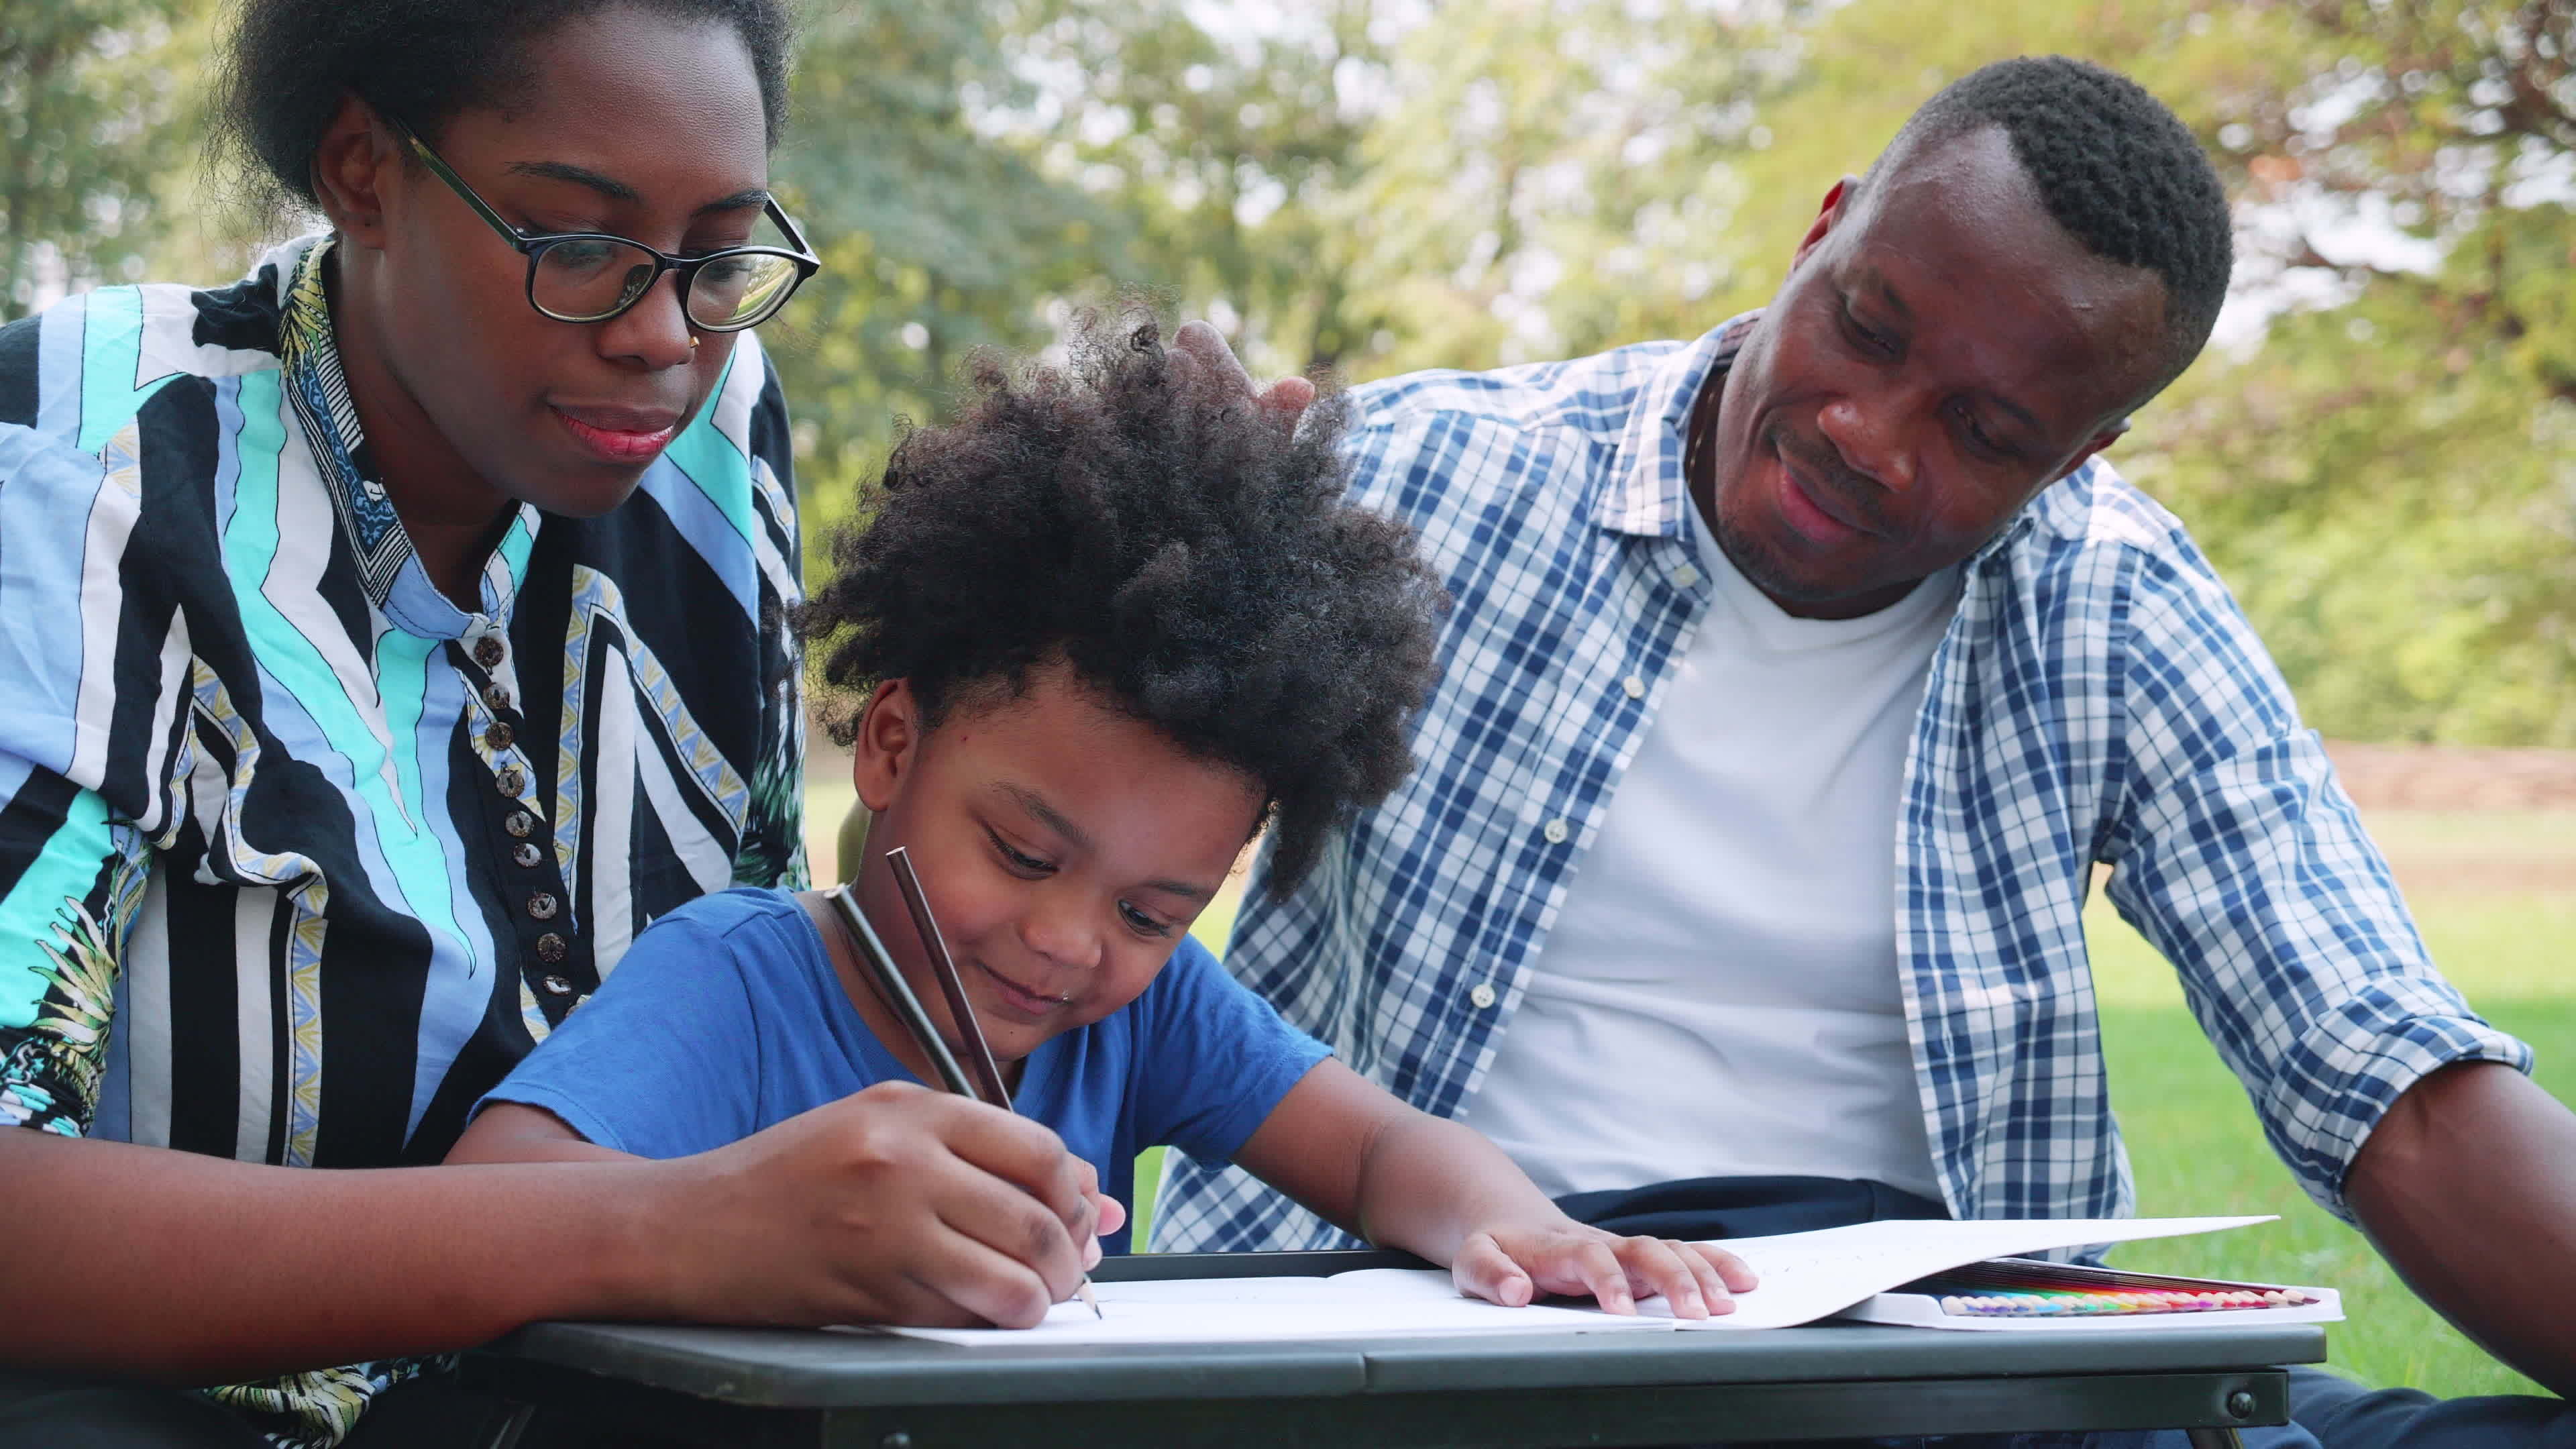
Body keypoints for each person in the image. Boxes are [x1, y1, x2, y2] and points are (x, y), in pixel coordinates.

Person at [1152, 55, 2576, 1446]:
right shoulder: (1423, 486)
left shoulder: (2116, 604)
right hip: (1445, 1348)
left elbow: (2391, 1080)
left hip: (1946, 1384)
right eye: (1869, 330)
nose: (1868, 438)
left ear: (2082, 452)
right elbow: (995, 806)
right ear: (1823, 229)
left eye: (1985, 429)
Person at [0, 3, 1291, 1444]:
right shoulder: (84, 462)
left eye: (718, 255)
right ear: (363, 169)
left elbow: (809, 913)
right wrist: (658, 1228)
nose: (662, 331)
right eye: (579, 245)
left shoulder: (708, 443)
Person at [447, 314, 1762, 1329]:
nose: (1072, 943)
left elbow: (1379, 1150)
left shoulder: (1146, 1015)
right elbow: (490, 1203)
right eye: (1024, 853)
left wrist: (1517, 1225)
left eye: (1156, 911)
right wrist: (732, 1223)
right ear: (894, 743)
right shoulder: (737, 983)